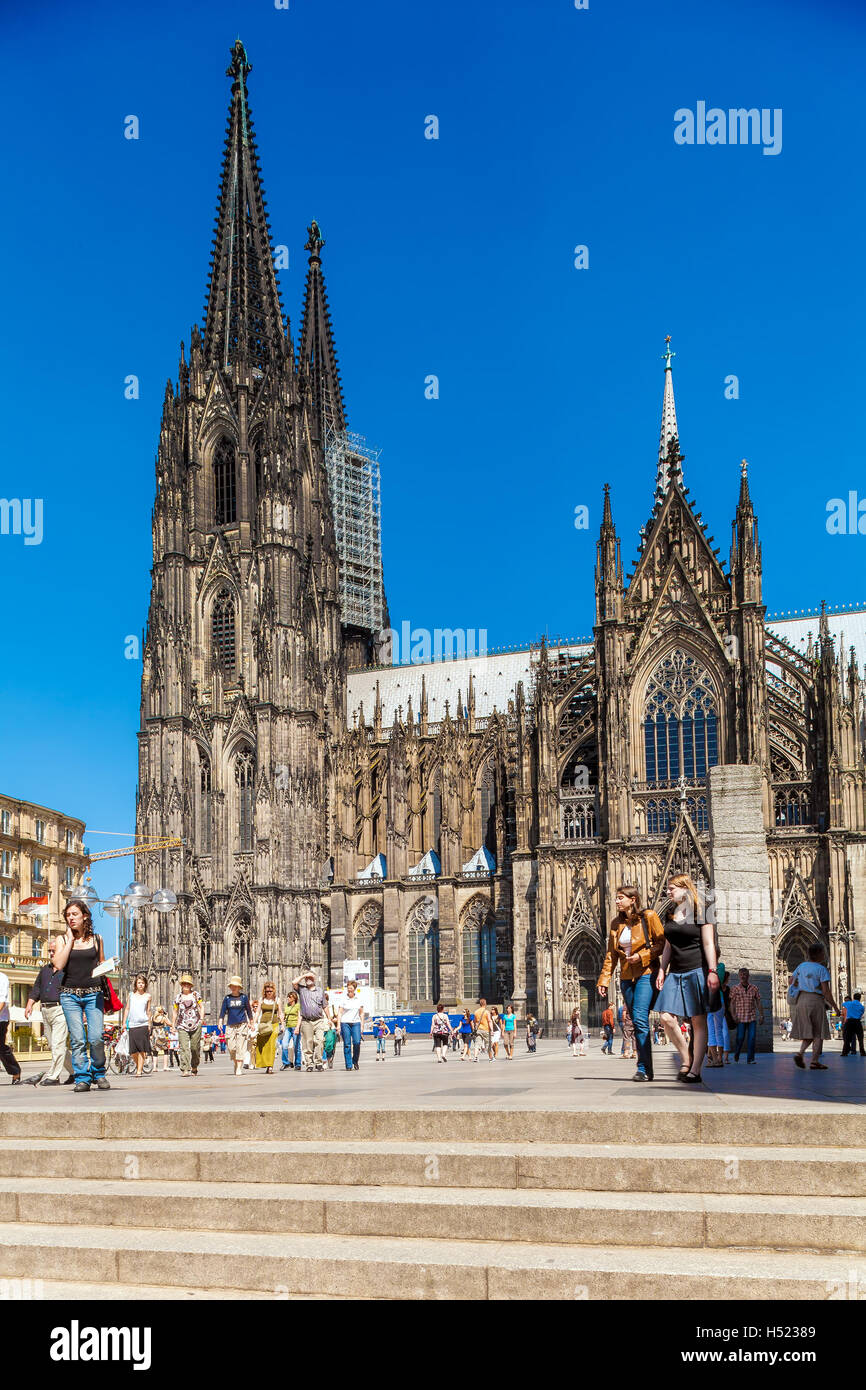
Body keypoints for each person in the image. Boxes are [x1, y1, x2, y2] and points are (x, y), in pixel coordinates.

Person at [597, 884, 666, 1082]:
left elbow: (661, 944)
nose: (617, 901)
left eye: (620, 898)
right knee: (636, 1021)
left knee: (641, 1019)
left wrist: (642, 956)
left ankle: (643, 1068)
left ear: (632, 899)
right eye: (616, 898)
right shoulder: (615, 924)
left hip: (646, 973)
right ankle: (646, 1068)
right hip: (626, 978)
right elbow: (611, 954)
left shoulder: (649, 916)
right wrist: (604, 980)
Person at [655, 874, 719, 1084]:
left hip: (696, 969)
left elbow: (709, 943)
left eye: (671, 888)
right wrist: (662, 969)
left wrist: (712, 970)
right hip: (676, 971)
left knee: (698, 1021)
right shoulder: (670, 913)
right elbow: (668, 945)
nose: (668, 892)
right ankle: (686, 1057)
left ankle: (696, 1069)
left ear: (685, 888)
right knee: (665, 1017)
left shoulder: (702, 910)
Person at [54, 899, 109, 1093]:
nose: (70, 918)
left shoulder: (97, 939)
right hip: (70, 995)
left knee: (96, 1038)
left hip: (94, 993)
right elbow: (59, 965)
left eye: (74, 914)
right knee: (77, 1039)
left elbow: (101, 964)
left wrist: (108, 965)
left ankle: (99, 1073)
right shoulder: (62, 940)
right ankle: (82, 1077)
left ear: (84, 916)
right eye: (68, 915)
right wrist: (69, 941)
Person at [25, 936, 73, 1085]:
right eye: (50, 951)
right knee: (55, 1046)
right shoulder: (44, 970)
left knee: (58, 1044)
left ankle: (53, 1076)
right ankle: (75, 1072)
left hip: (60, 1009)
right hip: (45, 1010)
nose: (52, 953)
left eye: (54, 950)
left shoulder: (67, 970)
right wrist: (29, 1004)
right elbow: (37, 988)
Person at [791, 943, 839, 1071]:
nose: (824, 955)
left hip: (801, 999)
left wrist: (802, 983)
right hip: (815, 1000)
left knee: (809, 1032)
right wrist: (835, 1007)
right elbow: (826, 991)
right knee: (818, 1032)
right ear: (818, 954)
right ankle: (814, 1061)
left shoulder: (801, 966)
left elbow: (791, 981)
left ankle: (800, 1054)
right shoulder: (821, 969)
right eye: (823, 952)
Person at [292, 969, 329, 1072]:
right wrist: (304, 975)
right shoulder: (302, 990)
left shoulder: (320, 991)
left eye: (310, 977)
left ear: (315, 979)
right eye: (307, 978)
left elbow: (325, 1006)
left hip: (318, 1020)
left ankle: (319, 1062)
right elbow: (294, 982)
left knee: (320, 1041)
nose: (308, 979)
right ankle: (309, 1064)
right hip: (306, 1021)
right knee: (307, 1043)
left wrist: (329, 1019)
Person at [729, 966, 765, 1064]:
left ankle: (751, 1058)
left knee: (752, 1038)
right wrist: (733, 1015)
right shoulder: (735, 988)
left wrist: (761, 1015)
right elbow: (732, 1003)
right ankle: (737, 1053)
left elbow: (758, 1002)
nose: (743, 976)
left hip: (751, 1017)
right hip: (740, 1018)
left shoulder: (754, 988)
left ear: (748, 976)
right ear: (738, 976)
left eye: (745, 974)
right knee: (740, 1038)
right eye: (741, 975)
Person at [219, 976, 254, 1076]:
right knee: (231, 1047)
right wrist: (220, 1021)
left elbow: (248, 1010)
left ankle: (239, 1067)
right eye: (232, 986)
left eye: (235, 986)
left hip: (242, 1024)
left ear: (239, 987)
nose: (233, 987)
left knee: (240, 1046)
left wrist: (251, 1022)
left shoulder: (244, 997)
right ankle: (236, 1063)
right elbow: (222, 1011)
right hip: (230, 1025)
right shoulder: (227, 998)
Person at [173, 973, 204, 1076]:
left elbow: (201, 1007)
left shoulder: (196, 995)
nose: (186, 985)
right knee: (184, 1047)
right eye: (184, 984)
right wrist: (173, 1025)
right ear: (181, 985)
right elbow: (175, 1012)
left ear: (191, 985)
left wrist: (202, 1019)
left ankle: (194, 1065)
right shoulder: (178, 997)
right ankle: (185, 1069)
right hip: (182, 1025)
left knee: (195, 1048)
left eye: (188, 984)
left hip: (195, 1024)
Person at [123, 973, 152, 1078]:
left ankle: (139, 1070)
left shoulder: (148, 996)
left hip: (143, 1024)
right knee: (133, 1051)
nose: (141, 985)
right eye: (139, 983)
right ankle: (139, 1064)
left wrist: (149, 1024)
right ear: (136, 984)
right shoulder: (131, 995)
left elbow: (148, 1011)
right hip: (132, 1024)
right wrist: (124, 1023)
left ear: (145, 984)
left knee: (142, 1049)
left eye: (142, 983)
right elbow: (127, 1009)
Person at [253, 981, 283, 1074]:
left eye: (270, 991)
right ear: (264, 991)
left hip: (274, 1024)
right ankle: (265, 1063)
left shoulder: (277, 1000)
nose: (269, 992)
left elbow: (280, 1013)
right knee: (262, 1045)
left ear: (273, 991)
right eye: (267, 991)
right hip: (263, 1024)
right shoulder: (261, 1000)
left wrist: (283, 1024)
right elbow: (258, 1012)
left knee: (272, 1045)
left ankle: (270, 1066)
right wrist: (253, 1023)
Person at [706, 963, 732, 1068]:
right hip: (720, 1000)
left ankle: (715, 1059)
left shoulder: (707, 966)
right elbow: (719, 980)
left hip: (710, 999)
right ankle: (720, 1059)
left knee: (711, 1030)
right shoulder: (720, 966)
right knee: (719, 1030)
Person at [336, 979, 364, 1071]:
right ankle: (348, 1065)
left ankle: (355, 1060)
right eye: (348, 988)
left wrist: (362, 1025)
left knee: (357, 1042)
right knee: (347, 1044)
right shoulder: (343, 999)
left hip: (356, 1023)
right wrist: (338, 1025)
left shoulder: (359, 999)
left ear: (354, 989)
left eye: (351, 988)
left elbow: (361, 1013)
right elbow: (340, 1013)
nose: (349, 990)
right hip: (345, 1023)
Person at [0, 967, 22, 1084]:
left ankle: (15, 1071)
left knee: (1, 1048)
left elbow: (2, 1001)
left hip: (1, 1019)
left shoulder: (2, 978)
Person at [281, 990, 302, 1071]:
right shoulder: (287, 1006)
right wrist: (283, 1025)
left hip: (295, 1027)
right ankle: (286, 1063)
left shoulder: (298, 1006)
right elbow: (284, 1016)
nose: (288, 998)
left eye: (289, 997)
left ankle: (298, 1064)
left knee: (296, 1046)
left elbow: (300, 1017)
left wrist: (297, 1027)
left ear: (294, 998)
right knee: (284, 1044)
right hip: (288, 1027)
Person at [841, 992, 865, 1057]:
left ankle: (844, 1052)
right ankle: (862, 1052)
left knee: (847, 1038)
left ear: (853, 998)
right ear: (860, 998)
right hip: (857, 1022)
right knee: (860, 1038)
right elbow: (861, 1013)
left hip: (849, 1022)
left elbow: (843, 1004)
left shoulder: (849, 1003)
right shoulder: (861, 1006)